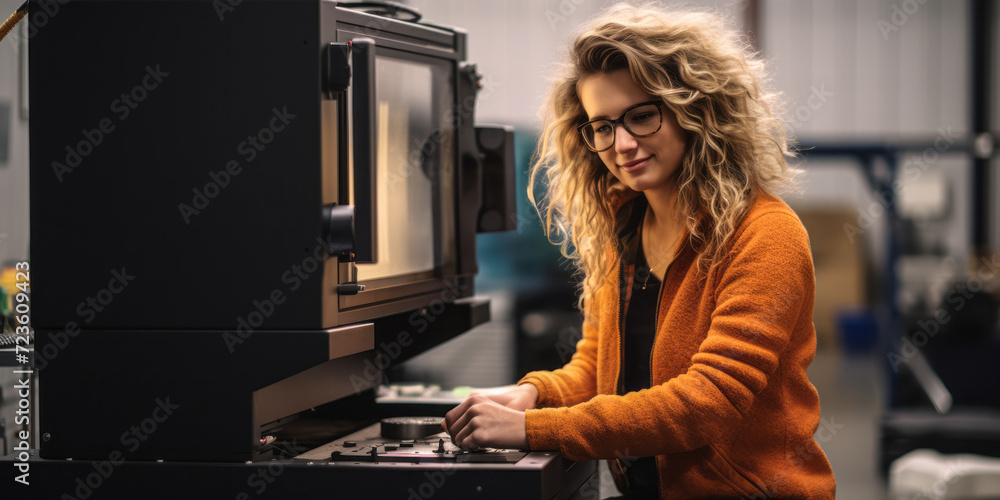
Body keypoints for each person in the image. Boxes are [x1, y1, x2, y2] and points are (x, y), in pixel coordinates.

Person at [444, 3, 837, 498]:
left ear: (695, 109)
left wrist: (533, 430)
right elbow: (597, 369)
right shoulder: (624, 226)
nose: (622, 143)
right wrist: (532, 394)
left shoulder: (764, 233)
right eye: (602, 126)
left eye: (642, 116)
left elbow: (706, 403)